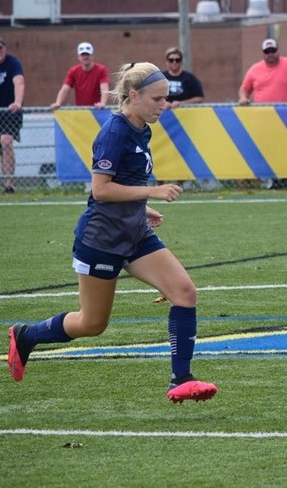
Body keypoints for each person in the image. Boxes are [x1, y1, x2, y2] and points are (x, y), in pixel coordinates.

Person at [7, 62, 218, 403]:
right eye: (157, 99)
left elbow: (124, 183)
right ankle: (26, 335)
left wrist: (140, 207)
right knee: (92, 324)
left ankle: (181, 379)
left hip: (134, 233)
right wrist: (151, 192)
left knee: (184, 291)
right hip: (101, 240)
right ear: (133, 95)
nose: (164, 105)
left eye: (166, 98)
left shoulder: (142, 127)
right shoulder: (114, 132)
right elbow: (101, 190)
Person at [238, 38, 287, 106]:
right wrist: (243, 98)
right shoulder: (254, 69)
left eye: (273, 51)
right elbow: (244, 88)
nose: (270, 54)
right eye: (267, 51)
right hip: (262, 116)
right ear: (263, 53)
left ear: (278, 50)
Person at [51, 41, 109, 110]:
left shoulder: (101, 70)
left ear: (92, 56)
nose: (85, 57)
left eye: (87, 54)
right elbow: (65, 88)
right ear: (78, 57)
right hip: (81, 110)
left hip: (97, 109)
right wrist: (58, 102)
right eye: (83, 55)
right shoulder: (73, 71)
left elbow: (104, 87)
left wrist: (102, 103)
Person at [0, 37, 25, 194]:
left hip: (10, 111)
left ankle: (9, 183)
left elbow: (19, 82)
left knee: (6, 142)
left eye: (0, 49)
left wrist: (17, 102)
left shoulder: (12, 63)